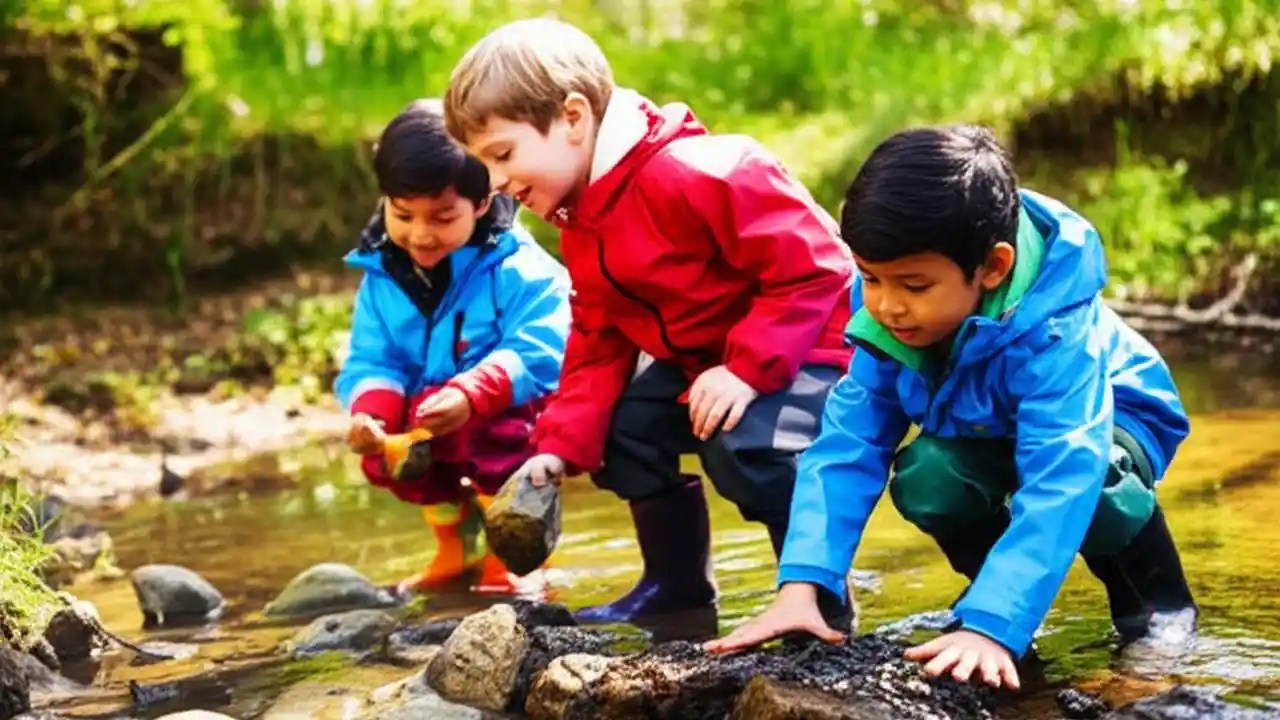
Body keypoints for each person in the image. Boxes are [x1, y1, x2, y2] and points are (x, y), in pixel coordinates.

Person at [706, 125, 1197, 689]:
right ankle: (994, 598)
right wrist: (803, 584)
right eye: (870, 278)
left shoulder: (1057, 336)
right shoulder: (886, 320)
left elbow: (1062, 476)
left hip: (1115, 420)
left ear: (993, 268)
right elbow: (845, 449)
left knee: (1103, 492)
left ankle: (1156, 607)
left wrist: (993, 628)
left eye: (913, 285)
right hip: (983, 425)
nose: (887, 305)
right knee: (928, 476)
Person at [441, 19, 856, 627]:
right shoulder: (581, 212)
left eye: (502, 155)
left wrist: (746, 370)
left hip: (811, 348)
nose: (497, 182)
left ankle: (818, 601)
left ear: (574, 118)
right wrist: (557, 447)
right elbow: (599, 336)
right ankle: (678, 589)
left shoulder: (698, 171)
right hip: (709, 363)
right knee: (621, 429)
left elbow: (822, 267)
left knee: (744, 443)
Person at [335, 99, 571, 596]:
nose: (420, 234)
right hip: (433, 410)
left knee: (491, 434)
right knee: (395, 446)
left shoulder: (514, 266)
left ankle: (517, 555)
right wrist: (373, 415)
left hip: (513, 404)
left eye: (443, 217)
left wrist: (474, 392)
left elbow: (545, 344)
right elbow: (374, 358)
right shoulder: (384, 275)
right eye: (403, 214)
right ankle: (456, 545)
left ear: (482, 202)